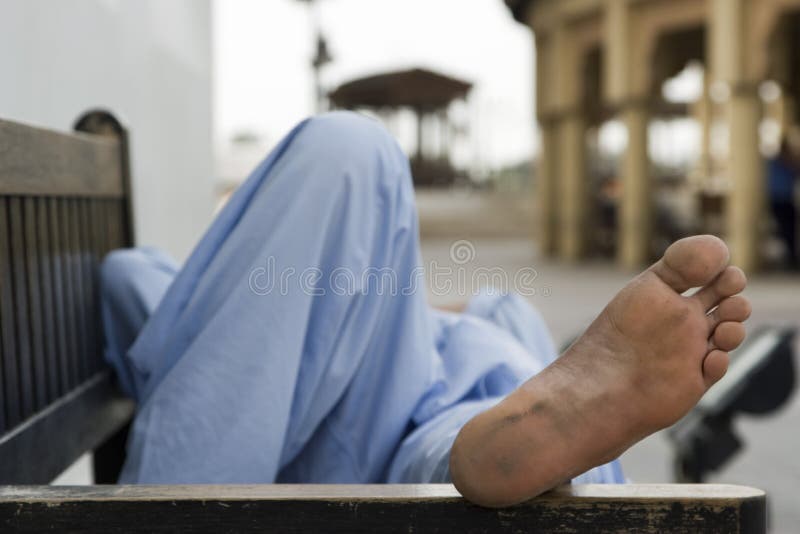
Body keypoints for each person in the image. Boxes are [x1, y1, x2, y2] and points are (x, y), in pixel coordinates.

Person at [100, 112, 750, 507]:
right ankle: (551, 450)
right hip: (398, 413)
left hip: (423, 383)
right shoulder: (135, 280)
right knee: (350, 151)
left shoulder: (154, 285)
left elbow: (196, 310)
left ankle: (541, 433)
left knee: (495, 328)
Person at [767, 138, 798, 269]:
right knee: (785, 230)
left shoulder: (787, 162)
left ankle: (791, 256)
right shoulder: (777, 162)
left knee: (789, 230)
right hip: (779, 200)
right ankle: (791, 257)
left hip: (785, 200)